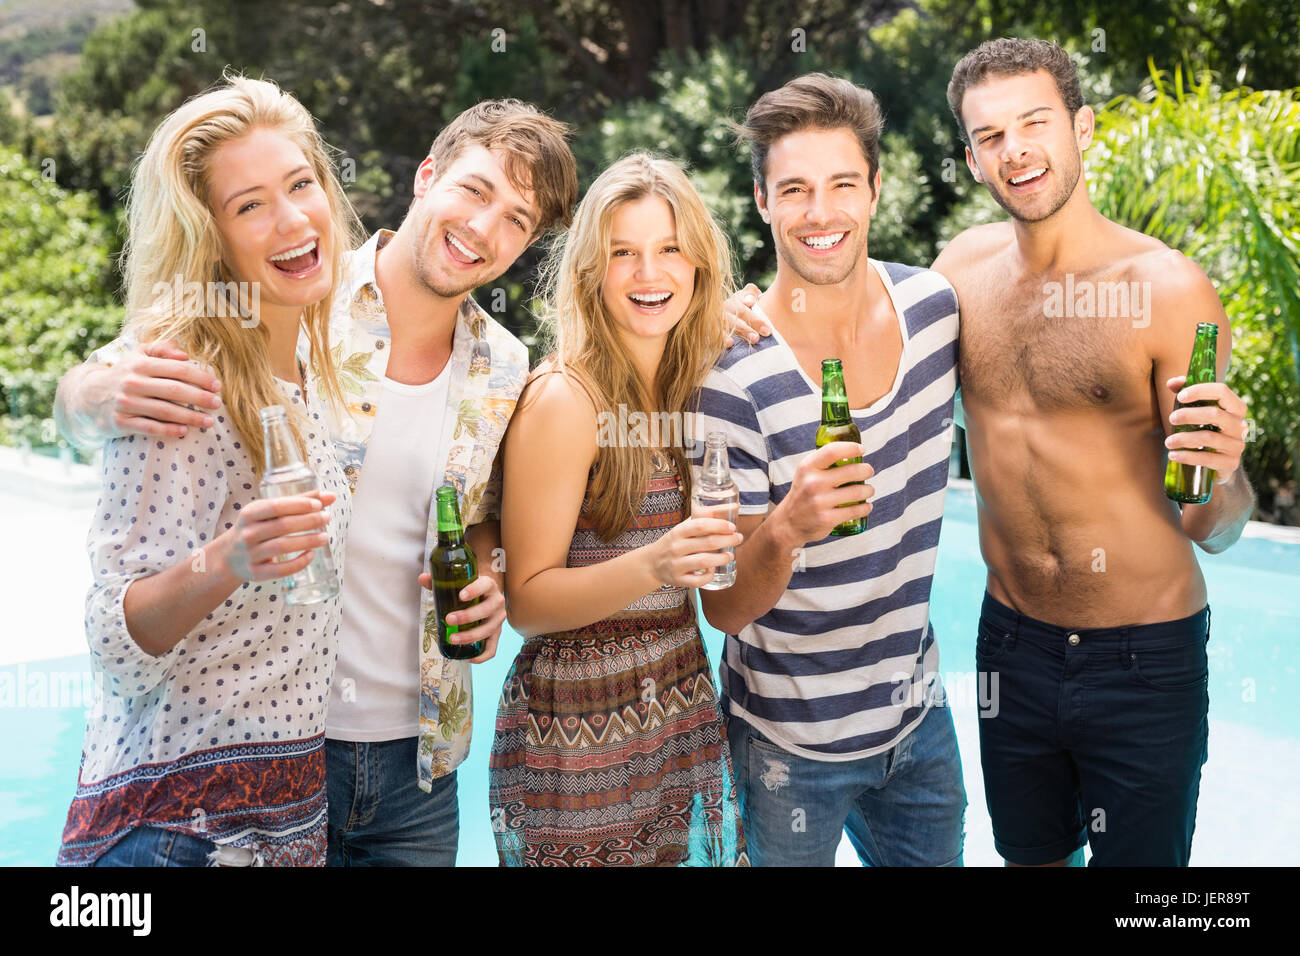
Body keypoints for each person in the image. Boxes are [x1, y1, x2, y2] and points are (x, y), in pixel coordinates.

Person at [55, 99, 581, 865]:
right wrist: (86, 395)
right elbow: (129, 372)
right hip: (273, 743)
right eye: (474, 190)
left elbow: (478, 518)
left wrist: (489, 571)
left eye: (517, 219)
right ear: (428, 175)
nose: (483, 228)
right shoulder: (298, 287)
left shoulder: (505, 365)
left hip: (418, 760)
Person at [932, 37, 1253, 867]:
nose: (1017, 150)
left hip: (1142, 658)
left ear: (1083, 127)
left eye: (1035, 122)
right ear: (971, 159)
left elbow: (1216, 524)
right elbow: (869, 383)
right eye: (990, 135)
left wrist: (1225, 475)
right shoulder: (959, 275)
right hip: (1010, 645)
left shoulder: (1168, 288)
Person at [56, 75, 362, 866]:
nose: (293, 219)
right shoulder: (182, 382)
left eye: (301, 184)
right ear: (210, 238)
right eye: (249, 204)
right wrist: (226, 562)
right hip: (175, 836)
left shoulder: (299, 367)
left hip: (276, 823)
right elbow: (111, 640)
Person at [695, 74, 966, 867]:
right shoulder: (731, 379)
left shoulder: (936, 312)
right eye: (795, 189)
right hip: (785, 750)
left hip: (918, 727)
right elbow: (725, 610)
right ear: (761, 201)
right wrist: (786, 527)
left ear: (876, 189)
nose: (820, 213)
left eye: (843, 183)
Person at [489, 153, 749, 866]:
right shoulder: (566, 400)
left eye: (669, 250)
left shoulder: (685, 381)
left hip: (678, 701)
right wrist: (659, 561)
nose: (648, 274)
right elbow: (528, 602)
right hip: (580, 734)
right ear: (589, 271)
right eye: (622, 254)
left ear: (697, 263)